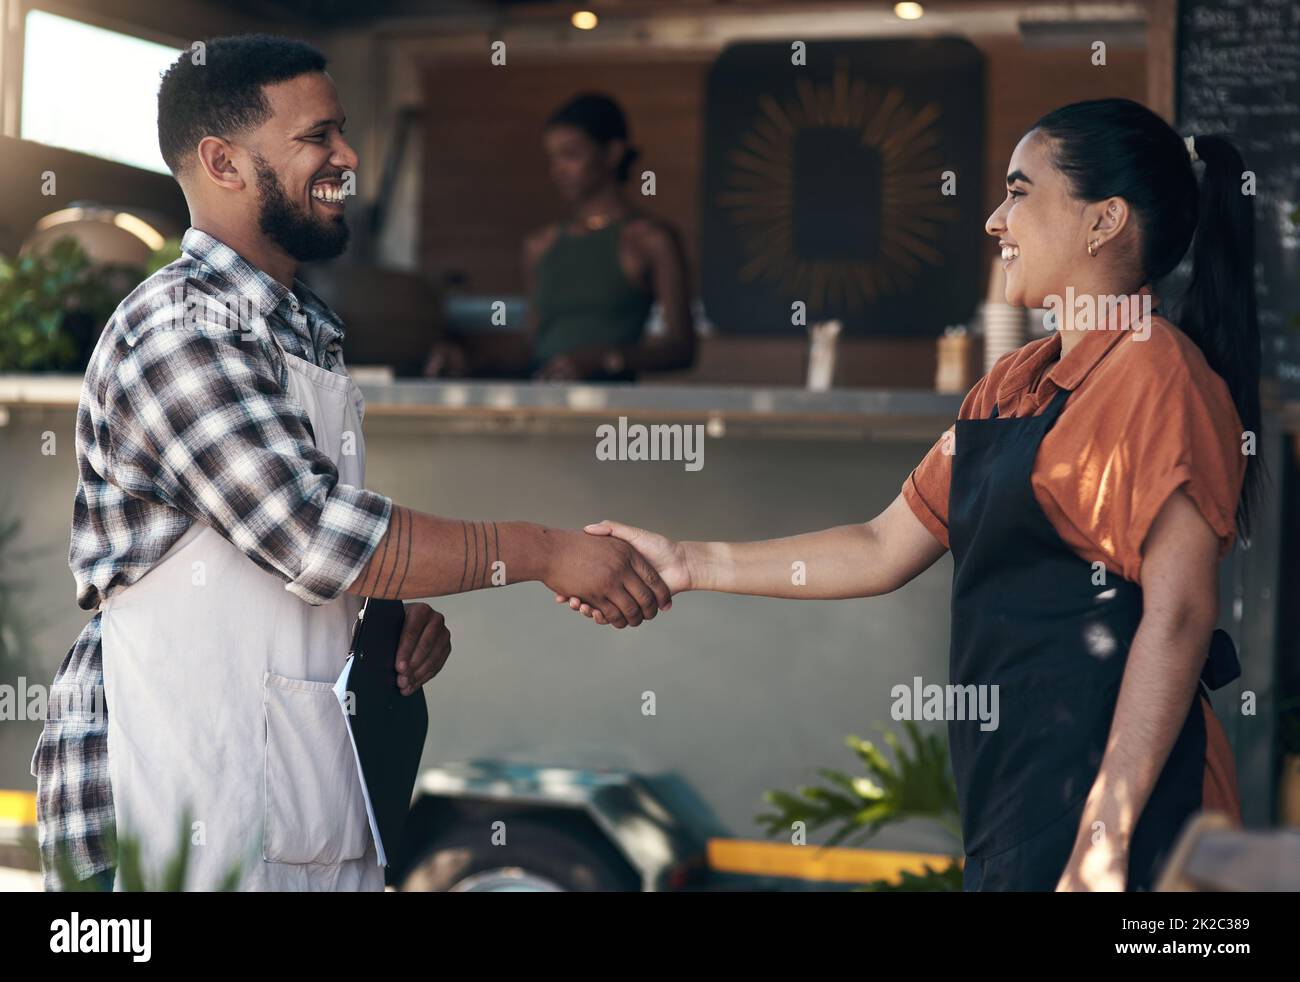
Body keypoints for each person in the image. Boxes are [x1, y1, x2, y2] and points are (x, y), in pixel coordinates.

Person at [558, 98, 1258, 892]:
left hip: (1136, 818)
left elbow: (1179, 616)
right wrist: (684, 561)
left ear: (1104, 222)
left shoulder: (1158, 375)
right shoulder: (1010, 386)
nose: (996, 221)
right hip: (1018, 795)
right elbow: (883, 544)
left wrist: (1102, 843)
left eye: (1020, 192)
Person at [30, 35, 669, 893]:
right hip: (166, 819)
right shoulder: (180, 332)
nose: (347, 157)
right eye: (318, 137)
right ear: (222, 161)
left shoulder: (305, 328)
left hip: (294, 809)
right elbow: (314, 535)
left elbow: (301, 563)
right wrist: (546, 550)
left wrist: (374, 626)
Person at [423, 93, 695, 381]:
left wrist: (605, 359)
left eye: (571, 155)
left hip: (611, 416)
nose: (558, 169)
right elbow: (532, 345)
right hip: (542, 406)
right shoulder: (541, 245)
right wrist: (468, 359)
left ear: (612, 153)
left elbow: (679, 348)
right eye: (553, 158)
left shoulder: (651, 241)